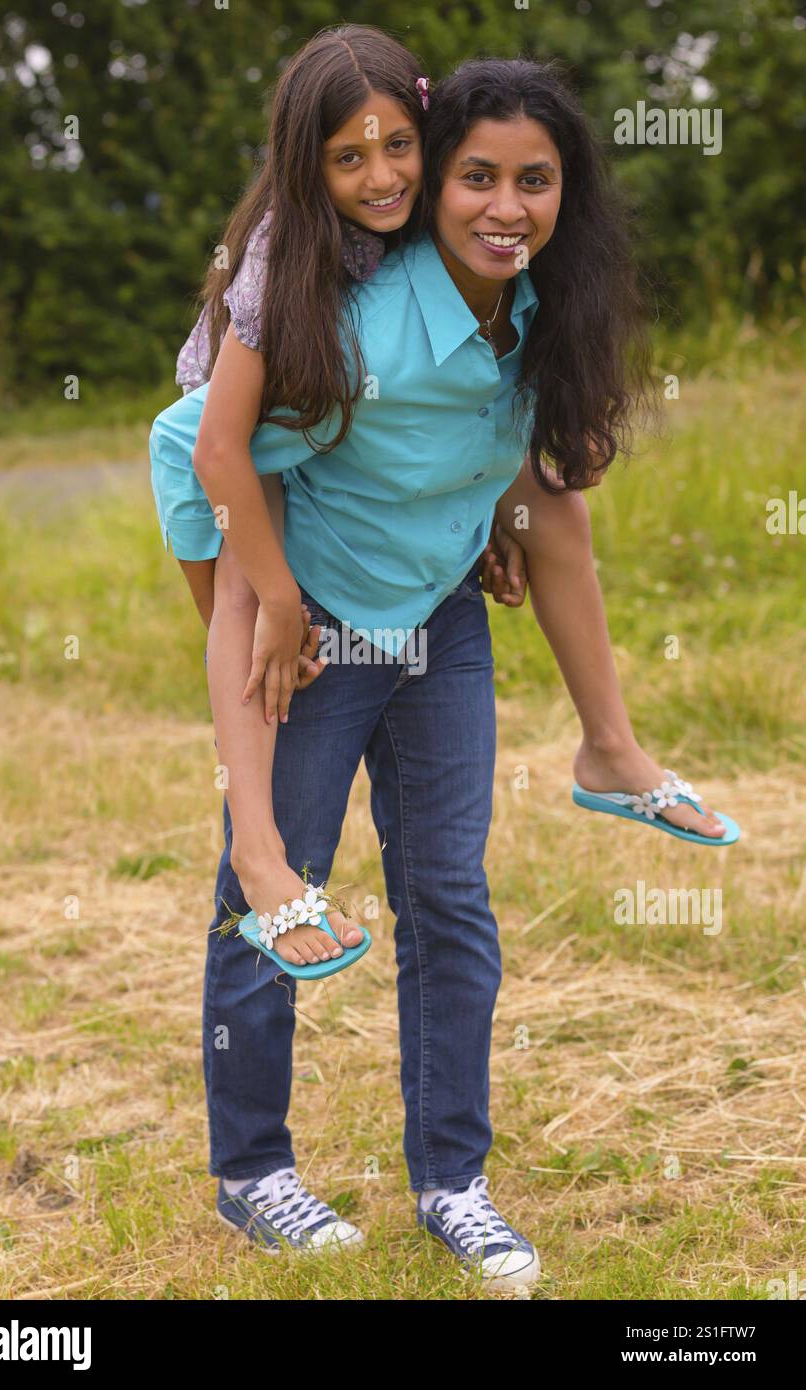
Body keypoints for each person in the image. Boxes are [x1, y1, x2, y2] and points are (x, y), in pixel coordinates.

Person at [148, 38, 727, 1292]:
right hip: (314, 628)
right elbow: (203, 451)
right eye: (475, 177)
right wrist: (253, 617)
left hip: (440, 625)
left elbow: (537, 488)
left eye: (533, 181)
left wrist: (502, 539)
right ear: (434, 180)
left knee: (449, 901)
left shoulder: (536, 308)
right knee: (268, 894)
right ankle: (252, 1172)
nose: (503, 208)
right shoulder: (341, 323)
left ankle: (452, 1184)